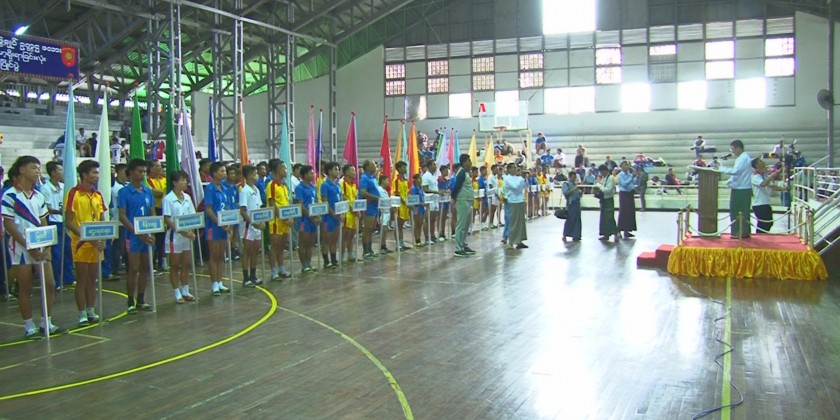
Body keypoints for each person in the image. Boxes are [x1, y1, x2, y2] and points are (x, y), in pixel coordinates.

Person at [3, 156, 66, 338]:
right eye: (33, 167)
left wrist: (46, 246)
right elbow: (9, 225)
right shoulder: (10, 195)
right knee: (26, 287)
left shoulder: (39, 196)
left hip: (40, 246)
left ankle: (46, 321)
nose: (38, 171)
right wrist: (28, 245)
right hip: (20, 247)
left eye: (39, 168)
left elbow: (43, 221)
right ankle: (29, 325)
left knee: (50, 283)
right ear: (22, 170)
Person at [65, 160, 107, 325]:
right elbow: (69, 222)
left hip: (98, 244)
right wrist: (88, 237)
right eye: (94, 172)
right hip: (81, 244)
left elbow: (103, 219)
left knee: (93, 279)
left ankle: (91, 309)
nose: (96, 176)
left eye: (97, 173)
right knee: (82, 279)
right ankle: (81, 313)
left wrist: (102, 238)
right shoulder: (73, 193)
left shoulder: (98, 195)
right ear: (84, 174)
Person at [117, 158, 157, 313]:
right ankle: (130, 300)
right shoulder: (124, 192)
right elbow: (122, 215)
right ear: (131, 172)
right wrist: (137, 232)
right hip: (132, 236)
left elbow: (152, 211)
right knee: (133, 268)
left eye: (144, 172)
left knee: (146, 267)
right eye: (140, 171)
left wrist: (152, 230)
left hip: (147, 235)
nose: (142, 175)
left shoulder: (147, 191)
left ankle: (141, 298)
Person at [162, 170, 197, 303]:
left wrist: (192, 231)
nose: (185, 182)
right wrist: (182, 231)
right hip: (174, 237)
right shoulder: (168, 199)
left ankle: (186, 290)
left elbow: (193, 216)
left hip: (187, 237)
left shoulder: (187, 197)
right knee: (175, 265)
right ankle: (176, 292)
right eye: (182, 180)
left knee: (186, 264)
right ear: (174, 182)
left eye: (186, 180)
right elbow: (167, 220)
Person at [41, 161, 75, 289]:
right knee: (56, 253)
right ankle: (56, 280)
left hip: (64, 222)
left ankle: (68, 278)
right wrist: (60, 211)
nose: (62, 173)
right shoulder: (45, 188)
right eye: (60, 170)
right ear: (53, 172)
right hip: (53, 222)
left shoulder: (64, 187)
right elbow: (47, 208)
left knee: (67, 250)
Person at [203, 161, 232, 296]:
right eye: (222, 171)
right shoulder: (210, 189)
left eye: (225, 171)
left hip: (224, 227)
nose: (224, 173)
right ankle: (214, 283)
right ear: (214, 173)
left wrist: (229, 223)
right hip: (213, 226)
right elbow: (208, 209)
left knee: (221, 255)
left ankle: (220, 282)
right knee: (214, 255)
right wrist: (219, 222)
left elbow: (227, 208)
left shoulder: (225, 188)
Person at [717, 140, 753, 238]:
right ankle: (742, 231)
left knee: (738, 211)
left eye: (732, 149)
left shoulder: (743, 158)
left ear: (738, 148)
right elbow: (738, 175)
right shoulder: (742, 158)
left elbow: (736, 172)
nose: (732, 151)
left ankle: (739, 232)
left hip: (741, 189)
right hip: (740, 187)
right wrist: (729, 183)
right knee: (741, 210)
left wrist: (722, 169)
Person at [238, 165, 264, 285]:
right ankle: (246, 278)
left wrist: (261, 222)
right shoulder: (244, 191)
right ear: (249, 175)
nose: (257, 175)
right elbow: (243, 211)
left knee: (255, 251)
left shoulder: (256, 189)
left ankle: (253, 275)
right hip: (248, 226)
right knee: (247, 252)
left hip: (257, 226)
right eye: (255, 173)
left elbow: (259, 208)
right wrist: (253, 223)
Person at [266, 161, 292, 279]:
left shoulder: (284, 185)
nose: (286, 171)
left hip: (285, 221)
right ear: (277, 170)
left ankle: (281, 268)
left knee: (282, 246)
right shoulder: (272, 185)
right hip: (276, 221)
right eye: (283, 168)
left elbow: (287, 203)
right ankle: (273, 271)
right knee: (274, 247)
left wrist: (289, 217)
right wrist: (282, 217)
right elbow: (272, 205)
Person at [751, 158, 787, 234]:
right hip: (759, 204)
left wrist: (784, 189)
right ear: (756, 165)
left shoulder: (764, 176)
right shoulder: (755, 176)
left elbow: (772, 186)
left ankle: (762, 237)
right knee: (763, 224)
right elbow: (763, 184)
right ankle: (759, 238)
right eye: (760, 161)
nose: (763, 162)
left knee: (769, 222)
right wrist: (772, 176)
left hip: (766, 203)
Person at [295, 165, 319, 273]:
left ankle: (309, 263)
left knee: (310, 243)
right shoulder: (299, 188)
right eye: (310, 173)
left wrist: (317, 215)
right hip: (304, 219)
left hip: (313, 219)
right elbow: (301, 205)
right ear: (304, 175)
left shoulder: (313, 187)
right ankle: (304, 264)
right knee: (303, 242)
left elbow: (316, 202)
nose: (313, 175)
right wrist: (311, 216)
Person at [451, 154, 476, 257]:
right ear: (464, 162)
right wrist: (453, 197)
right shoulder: (461, 173)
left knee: (466, 225)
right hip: (462, 201)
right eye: (469, 160)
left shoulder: (466, 173)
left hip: (468, 201)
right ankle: (458, 248)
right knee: (461, 225)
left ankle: (463, 244)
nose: (470, 162)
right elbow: (456, 187)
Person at [146, 160, 167, 270]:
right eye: (157, 166)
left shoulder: (165, 180)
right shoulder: (148, 181)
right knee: (154, 238)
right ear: (150, 168)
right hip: (155, 210)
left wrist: (161, 193)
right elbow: (154, 193)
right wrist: (163, 193)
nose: (160, 168)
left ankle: (162, 261)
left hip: (164, 210)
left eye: (160, 166)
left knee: (162, 239)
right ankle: (152, 262)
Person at [320, 162, 342, 268]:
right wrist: (333, 214)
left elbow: (340, 200)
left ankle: (334, 258)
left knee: (334, 239)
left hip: (337, 216)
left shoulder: (337, 185)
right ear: (329, 171)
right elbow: (325, 202)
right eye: (335, 169)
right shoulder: (325, 185)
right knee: (326, 240)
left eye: (338, 169)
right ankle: (326, 260)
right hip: (328, 217)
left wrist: (341, 213)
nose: (338, 172)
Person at [502, 163, 528, 249]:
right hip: (513, 201)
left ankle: (519, 240)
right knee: (513, 222)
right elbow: (515, 187)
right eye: (513, 168)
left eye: (515, 168)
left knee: (520, 222)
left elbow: (525, 186)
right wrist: (521, 180)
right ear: (509, 169)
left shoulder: (519, 178)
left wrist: (523, 179)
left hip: (520, 200)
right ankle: (511, 241)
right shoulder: (507, 179)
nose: (515, 169)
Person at [593, 164, 618, 241]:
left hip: (608, 200)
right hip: (603, 200)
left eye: (601, 172)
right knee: (604, 218)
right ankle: (606, 234)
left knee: (610, 217)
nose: (601, 173)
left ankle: (616, 233)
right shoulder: (605, 178)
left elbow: (608, 189)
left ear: (605, 171)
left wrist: (600, 186)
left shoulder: (610, 178)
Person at [392, 161, 411, 250]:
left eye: (405, 167)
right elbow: (397, 193)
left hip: (405, 205)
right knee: (398, 225)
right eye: (404, 167)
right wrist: (404, 202)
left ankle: (402, 243)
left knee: (401, 225)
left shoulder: (406, 180)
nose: (405, 169)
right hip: (400, 205)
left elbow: (407, 193)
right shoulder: (396, 181)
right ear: (399, 169)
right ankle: (397, 244)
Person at [616, 161, 637, 239]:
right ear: (621, 167)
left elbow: (632, 184)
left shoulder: (630, 174)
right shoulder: (620, 175)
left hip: (630, 194)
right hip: (624, 194)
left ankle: (627, 230)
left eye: (627, 165)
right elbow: (624, 184)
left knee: (630, 212)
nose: (626, 167)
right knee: (623, 212)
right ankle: (619, 230)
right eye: (624, 165)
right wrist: (632, 178)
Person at [421, 160, 439, 242]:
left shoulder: (433, 175)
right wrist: (437, 192)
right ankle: (427, 237)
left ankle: (432, 235)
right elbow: (425, 189)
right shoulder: (426, 176)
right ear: (429, 166)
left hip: (435, 199)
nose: (435, 166)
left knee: (433, 219)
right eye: (434, 165)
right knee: (427, 219)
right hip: (429, 200)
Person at [561, 170, 582, 241]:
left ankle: (576, 235)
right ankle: (565, 234)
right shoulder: (566, 184)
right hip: (571, 203)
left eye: (574, 178)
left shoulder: (575, 184)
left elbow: (578, 193)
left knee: (577, 220)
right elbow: (566, 193)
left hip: (577, 203)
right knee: (570, 219)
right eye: (572, 177)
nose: (573, 179)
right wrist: (574, 190)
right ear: (569, 177)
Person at [376, 174, 393, 254]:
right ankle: (381, 247)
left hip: (387, 212)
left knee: (385, 230)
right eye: (387, 180)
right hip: (382, 212)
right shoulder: (379, 190)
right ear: (382, 181)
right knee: (383, 230)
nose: (388, 182)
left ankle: (384, 246)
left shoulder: (385, 190)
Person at [409, 174, 427, 247]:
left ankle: (419, 239)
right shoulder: (413, 188)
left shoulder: (420, 188)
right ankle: (417, 240)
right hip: (416, 208)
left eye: (421, 178)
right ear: (415, 180)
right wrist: (421, 203)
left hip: (422, 208)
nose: (421, 180)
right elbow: (413, 199)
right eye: (419, 178)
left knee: (420, 224)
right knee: (417, 224)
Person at [437, 165, 451, 241]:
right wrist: (444, 191)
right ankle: (439, 232)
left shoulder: (446, 180)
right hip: (441, 201)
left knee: (444, 218)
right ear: (442, 171)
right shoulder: (439, 179)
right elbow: (438, 189)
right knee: (440, 217)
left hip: (446, 201)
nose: (447, 172)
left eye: (447, 171)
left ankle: (443, 232)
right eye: (446, 170)